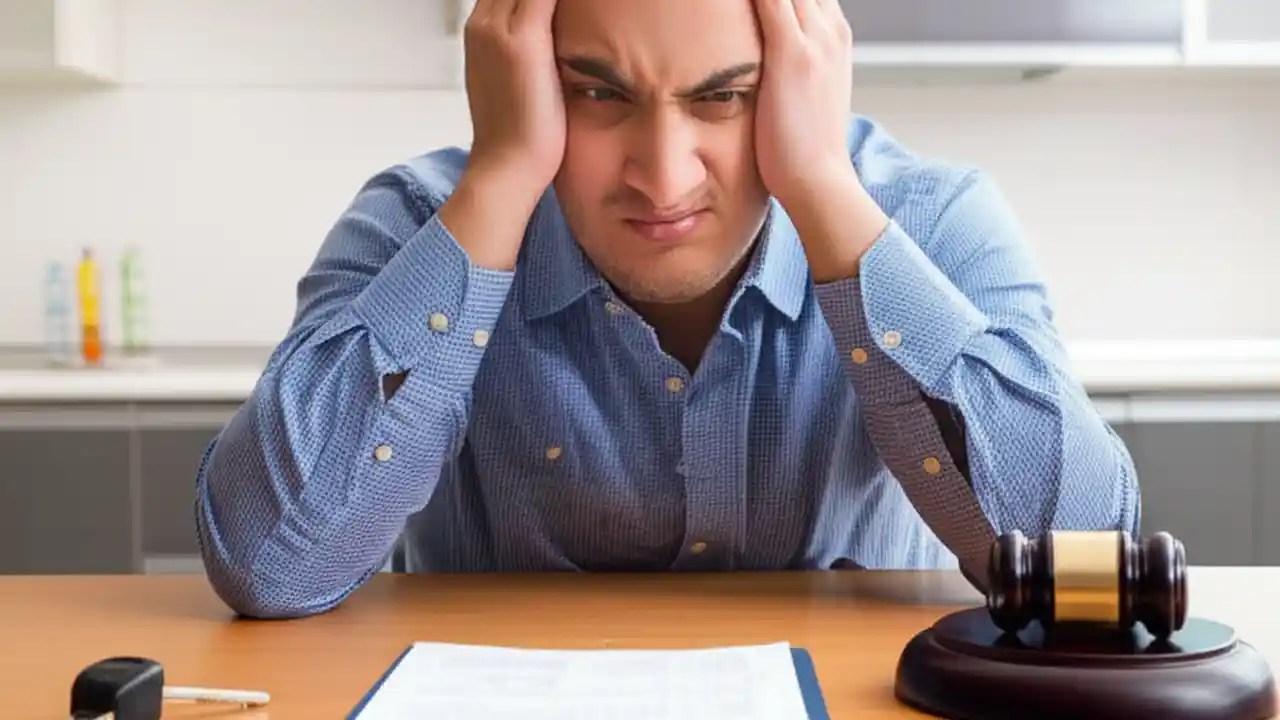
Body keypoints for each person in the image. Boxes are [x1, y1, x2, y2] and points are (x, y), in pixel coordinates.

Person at [194, 0, 1139, 618]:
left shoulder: (930, 219)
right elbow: (271, 568)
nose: (663, 173)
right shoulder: (419, 221)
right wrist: (504, 177)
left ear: (802, 82)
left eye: (725, 98)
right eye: (596, 93)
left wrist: (818, 184)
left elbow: (1087, 565)